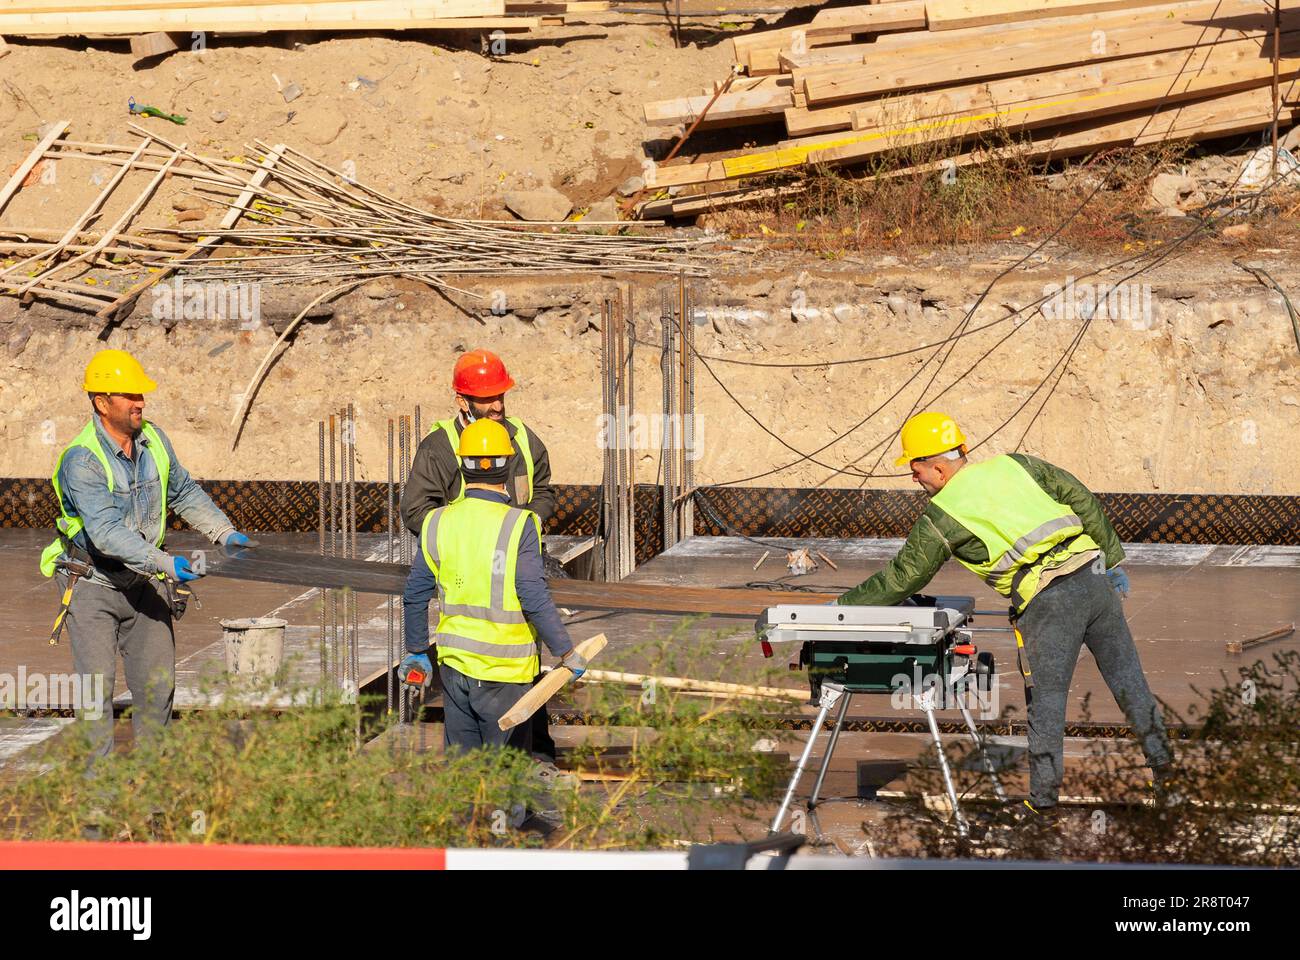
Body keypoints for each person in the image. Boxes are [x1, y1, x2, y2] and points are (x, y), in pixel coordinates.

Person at [836, 411, 1173, 819]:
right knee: (1129, 681)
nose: (914, 477)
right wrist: (1112, 559)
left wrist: (843, 608)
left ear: (938, 467)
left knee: (1046, 703)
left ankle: (1043, 805)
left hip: (1049, 600)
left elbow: (903, 576)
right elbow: (1079, 496)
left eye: (916, 468)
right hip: (1095, 579)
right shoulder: (1016, 464)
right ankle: (1167, 777)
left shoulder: (943, 513)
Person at [39, 348, 251, 760]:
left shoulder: (152, 439)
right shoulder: (82, 460)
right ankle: (98, 808)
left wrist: (224, 533)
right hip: (93, 586)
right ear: (102, 402)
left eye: (142, 395)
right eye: (129, 396)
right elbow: (106, 534)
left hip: (143, 585)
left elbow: (184, 491)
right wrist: (166, 563)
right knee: (95, 699)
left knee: (157, 691)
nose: (140, 402)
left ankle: (153, 799)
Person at [399, 348, 561, 761]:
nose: (497, 405)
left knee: (524, 664)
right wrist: (464, 533)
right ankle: (497, 787)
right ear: (462, 402)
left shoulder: (523, 438)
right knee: (476, 677)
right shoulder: (440, 446)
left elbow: (543, 492)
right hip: (467, 577)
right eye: (487, 398)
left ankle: (534, 756)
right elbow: (416, 510)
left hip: (516, 569)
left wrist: (524, 530)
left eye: (500, 396)